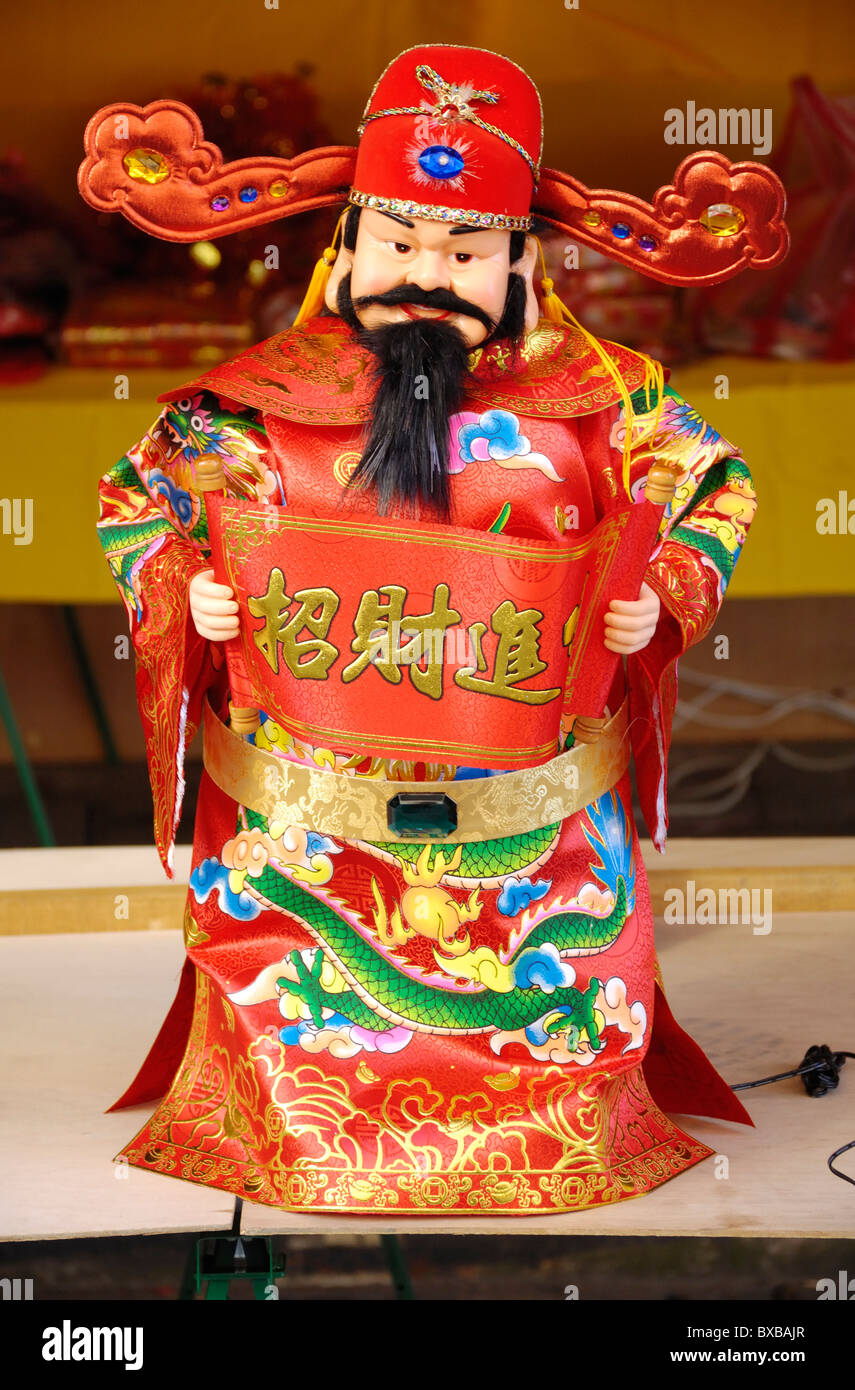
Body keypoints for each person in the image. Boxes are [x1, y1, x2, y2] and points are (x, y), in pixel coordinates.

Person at [85, 44, 787, 1214]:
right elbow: (137, 496)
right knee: (299, 1017)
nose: (426, 273)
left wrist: (662, 586)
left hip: (533, 856)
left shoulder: (605, 400)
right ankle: (295, 1122)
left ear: (519, 260)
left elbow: (713, 482)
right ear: (346, 250)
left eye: (461, 252)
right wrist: (182, 586)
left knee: (548, 1005)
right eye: (398, 244)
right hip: (309, 851)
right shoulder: (248, 405)